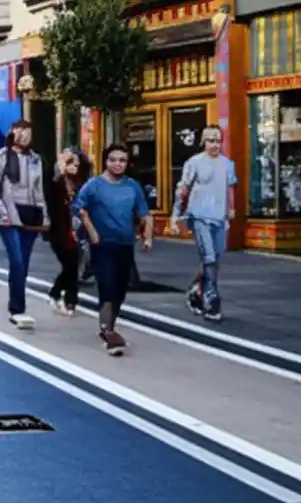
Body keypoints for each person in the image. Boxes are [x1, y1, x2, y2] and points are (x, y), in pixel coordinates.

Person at [74, 143, 155, 356]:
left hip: (125, 244)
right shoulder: (93, 185)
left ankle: (110, 324)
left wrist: (147, 237)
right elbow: (80, 209)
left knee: (119, 290)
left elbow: (145, 214)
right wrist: (91, 232)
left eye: (122, 161)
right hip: (102, 245)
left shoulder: (133, 186)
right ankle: (108, 331)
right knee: (107, 286)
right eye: (113, 160)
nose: (117, 164)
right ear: (106, 162)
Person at [0, 120, 50, 330]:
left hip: (31, 215)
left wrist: (45, 216)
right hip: (9, 215)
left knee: (23, 263)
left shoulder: (35, 159)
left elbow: (39, 190)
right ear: (12, 133)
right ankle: (17, 308)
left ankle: (16, 302)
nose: (23, 136)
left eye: (27, 133)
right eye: (18, 132)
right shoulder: (1, 156)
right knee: (17, 260)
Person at [167, 125, 236, 322]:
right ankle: (211, 300)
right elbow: (182, 190)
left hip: (219, 218)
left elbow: (229, 188)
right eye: (210, 140)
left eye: (218, 140)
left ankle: (195, 290)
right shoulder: (194, 163)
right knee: (209, 258)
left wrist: (231, 209)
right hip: (199, 216)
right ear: (203, 142)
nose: (215, 144)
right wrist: (174, 217)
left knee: (213, 261)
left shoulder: (227, 164)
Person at [44, 148, 88, 316]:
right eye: (71, 163)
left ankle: (70, 301)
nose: (75, 167)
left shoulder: (81, 183)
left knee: (75, 266)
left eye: (77, 164)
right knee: (70, 265)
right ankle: (55, 293)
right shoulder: (55, 183)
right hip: (60, 231)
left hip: (78, 229)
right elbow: (51, 207)